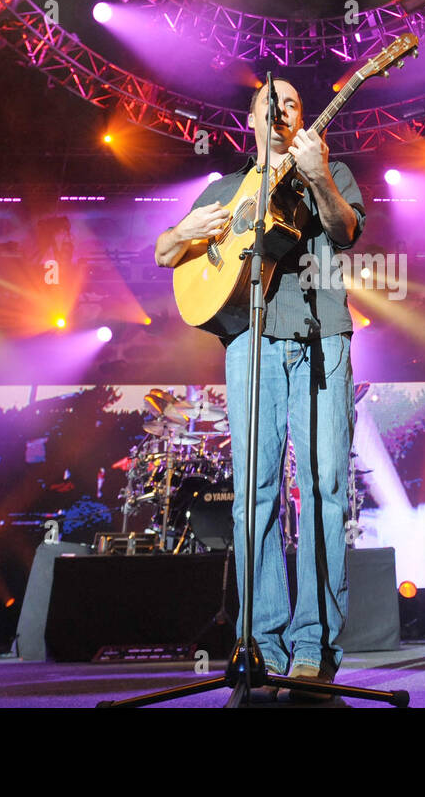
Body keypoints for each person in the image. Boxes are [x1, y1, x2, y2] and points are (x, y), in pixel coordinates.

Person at [155, 79, 364, 686]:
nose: (280, 112)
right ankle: (264, 643)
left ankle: (314, 645)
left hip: (322, 334)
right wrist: (185, 232)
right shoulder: (225, 187)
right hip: (250, 343)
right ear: (250, 120)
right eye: (270, 106)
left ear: (301, 119)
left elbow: (345, 231)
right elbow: (166, 252)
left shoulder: (328, 167)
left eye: (292, 105)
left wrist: (319, 174)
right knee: (256, 492)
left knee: (323, 484)